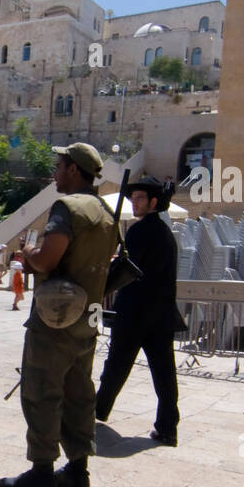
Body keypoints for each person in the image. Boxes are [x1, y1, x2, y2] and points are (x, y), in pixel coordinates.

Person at [1, 142, 113, 487]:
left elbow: (48, 260)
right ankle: (78, 470)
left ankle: (42, 472)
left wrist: (28, 252)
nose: (55, 172)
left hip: (56, 317)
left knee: (42, 391)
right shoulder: (106, 212)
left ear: (75, 170)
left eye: (60, 166)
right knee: (80, 394)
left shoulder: (68, 207)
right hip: (89, 317)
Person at [94, 176, 181, 446]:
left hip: (135, 312)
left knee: (116, 366)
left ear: (154, 202)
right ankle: (168, 428)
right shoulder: (165, 233)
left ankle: (98, 410)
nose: (134, 201)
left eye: (140, 197)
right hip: (161, 315)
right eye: (133, 197)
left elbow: (126, 270)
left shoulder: (140, 231)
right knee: (164, 374)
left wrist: (99, 287)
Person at [10, 240, 25, 311]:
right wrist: (19, 289)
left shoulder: (18, 274)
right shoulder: (17, 275)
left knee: (19, 297)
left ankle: (15, 304)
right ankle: (15, 304)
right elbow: (17, 283)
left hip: (18, 288)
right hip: (18, 288)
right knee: (21, 297)